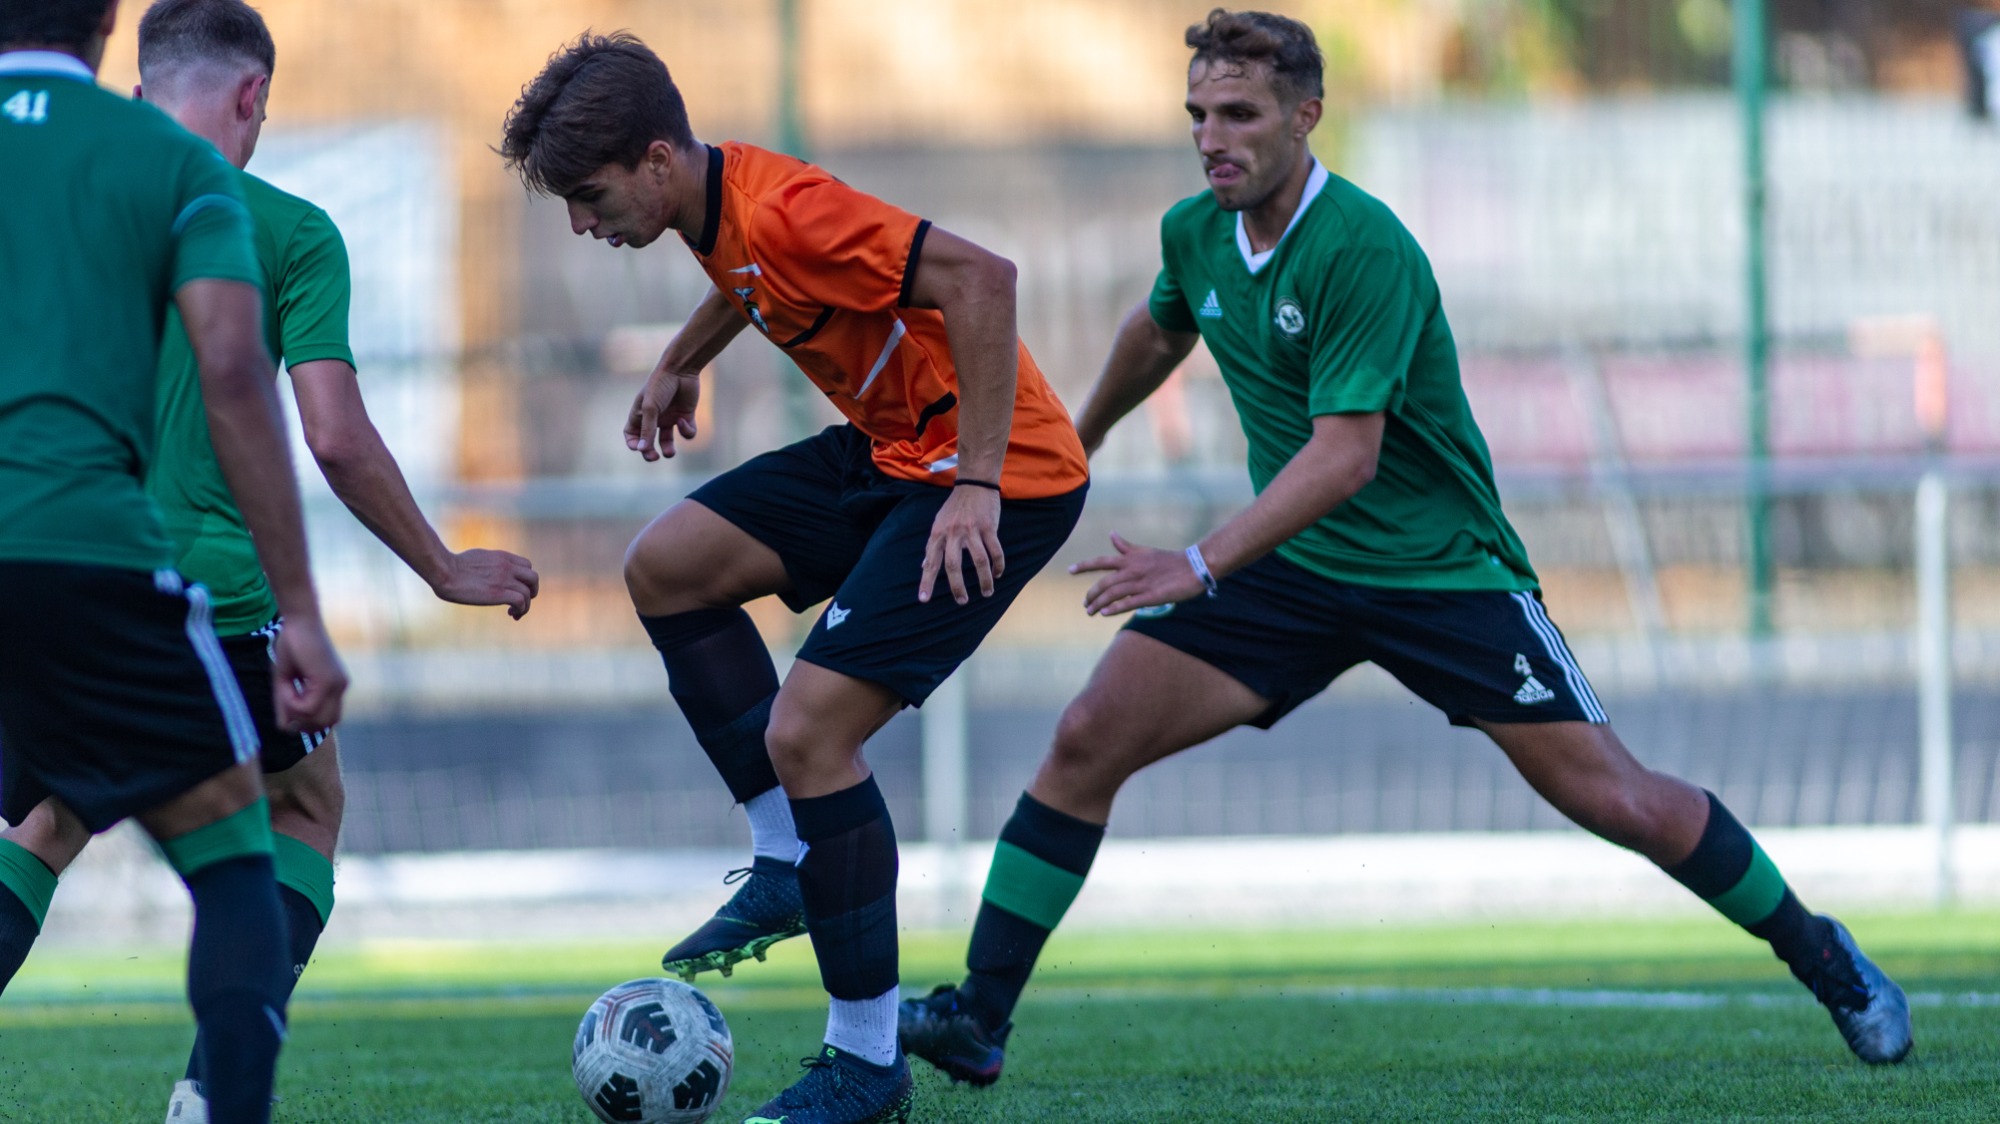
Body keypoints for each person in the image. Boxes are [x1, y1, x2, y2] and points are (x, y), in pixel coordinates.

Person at [899, 7, 1914, 1087]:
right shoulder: (1194, 230)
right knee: (1087, 735)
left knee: (1618, 799)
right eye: (1197, 113)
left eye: (1237, 114)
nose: (1211, 137)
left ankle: (1824, 955)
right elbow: (1162, 326)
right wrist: (1081, 434)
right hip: (1290, 567)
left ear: (1305, 115)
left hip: (1436, 570)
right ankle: (978, 1017)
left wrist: (1195, 562)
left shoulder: (1363, 246)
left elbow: (1346, 458)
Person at [500, 32, 1088, 1123]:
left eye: (589, 197)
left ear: (659, 159)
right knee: (667, 566)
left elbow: (982, 279)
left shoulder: (779, 208)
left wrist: (979, 483)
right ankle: (783, 854)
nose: (584, 225)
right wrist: (683, 356)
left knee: (809, 732)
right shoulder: (720, 207)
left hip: (997, 480)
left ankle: (865, 1065)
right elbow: (758, 280)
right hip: (890, 452)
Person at [0, 2, 540, 1119]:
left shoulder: (55, 175)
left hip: (22, 561)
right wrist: (422, 569)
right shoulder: (242, 209)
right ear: (252, 96)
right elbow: (323, 430)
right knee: (284, 817)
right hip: (172, 582)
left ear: (144, 78)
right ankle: (214, 1099)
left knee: (49, 818)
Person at [0, 1, 347, 1120]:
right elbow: (238, 377)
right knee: (245, 841)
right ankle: (219, 1105)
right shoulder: (163, 160)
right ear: (106, 24)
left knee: (43, 823)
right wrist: (299, 607)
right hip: (93, 554)